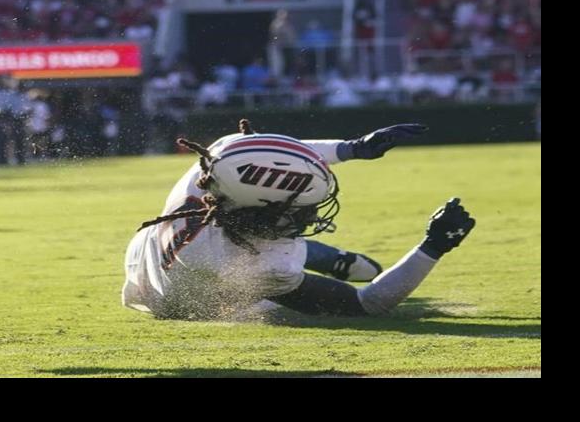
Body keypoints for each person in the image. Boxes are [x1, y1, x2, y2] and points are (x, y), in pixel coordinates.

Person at [122, 121, 476, 319]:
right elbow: (368, 304)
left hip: (144, 257)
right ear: (269, 211)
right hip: (185, 305)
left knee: (283, 246)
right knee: (277, 309)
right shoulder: (268, 266)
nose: (308, 211)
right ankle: (328, 258)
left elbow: (268, 155)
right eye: (297, 207)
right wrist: (433, 247)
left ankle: (328, 257)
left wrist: (353, 148)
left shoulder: (212, 172)